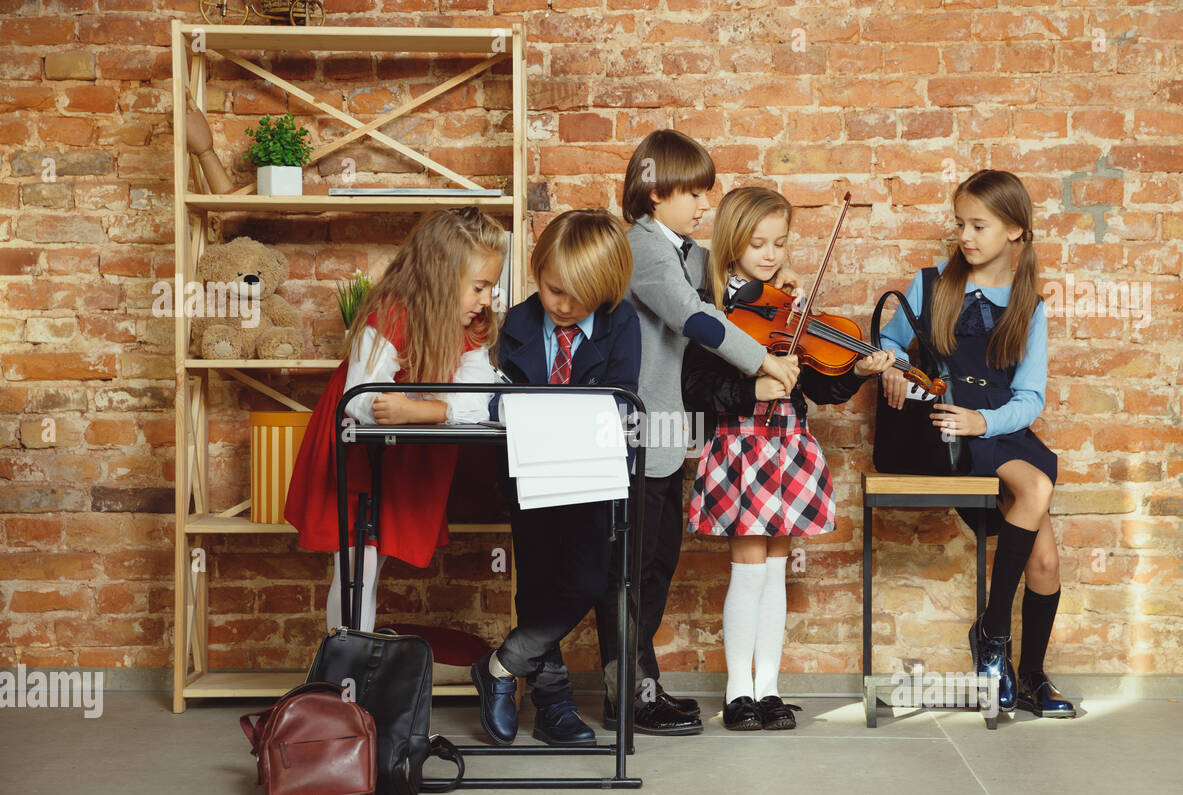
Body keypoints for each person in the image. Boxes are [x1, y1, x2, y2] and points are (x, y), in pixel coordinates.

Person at [594, 129, 803, 735]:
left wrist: (775, 280)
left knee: (656, 563)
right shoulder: (643, 249)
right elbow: (694, 315)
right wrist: (761, 361)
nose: (704, 205)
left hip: (667, 431)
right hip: (637, 429)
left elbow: (723, 289)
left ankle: (639, 683)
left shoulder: (681, 248)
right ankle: (629, 691)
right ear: (654, 193)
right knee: (631, 568)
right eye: (693, 193)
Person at [683, 187, 894, 730]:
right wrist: (752, 391)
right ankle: (737, 693)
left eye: (779, 243)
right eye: (758, 244)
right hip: (742, 445)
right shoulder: (715, 311)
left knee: (776, 571)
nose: (771, 255)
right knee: (748, 570)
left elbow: (822, 388)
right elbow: (695, 386)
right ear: (731, 242)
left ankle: (769, 688)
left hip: (790, 443)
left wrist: (857, 372)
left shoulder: (786, 310)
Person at [877, 169, 1075, 718]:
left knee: (1047, 563)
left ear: (1014, 231)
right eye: (960, 223)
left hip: (998, 427)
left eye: (979, 225)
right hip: (947, 428)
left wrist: (984, 423)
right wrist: (893, 367)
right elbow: (888, 344)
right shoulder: (931, 284)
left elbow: (1031, 397)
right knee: (1036, 486)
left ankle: (1030, 675)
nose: (966, 235)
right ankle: (992, 638)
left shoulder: (1030, 302)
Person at [285, 207, 507, 632]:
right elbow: (364, 401)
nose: (486, 300)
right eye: (479, 287)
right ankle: (344, 681)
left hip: (401, 449)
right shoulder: (391, 314)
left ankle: (350, 677)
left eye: (490, 288)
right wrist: (419, 411)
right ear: (441, 274)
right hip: (355, 450)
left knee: (371, 565)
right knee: (356, 567)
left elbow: (479, 403)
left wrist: (418, 410)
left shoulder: (474, 327)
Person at [470, 210, 640, 746]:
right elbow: (491, 398)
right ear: (537, 270)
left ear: (607, 289)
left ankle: (500, 665)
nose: (563, 306)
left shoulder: (621, 324)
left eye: (578, 296)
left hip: (591, 478)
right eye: (553, 290)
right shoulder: (514, 323)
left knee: (588, 582)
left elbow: (620, 401)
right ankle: (554, 705)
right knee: (539, 587)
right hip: (528, 476)